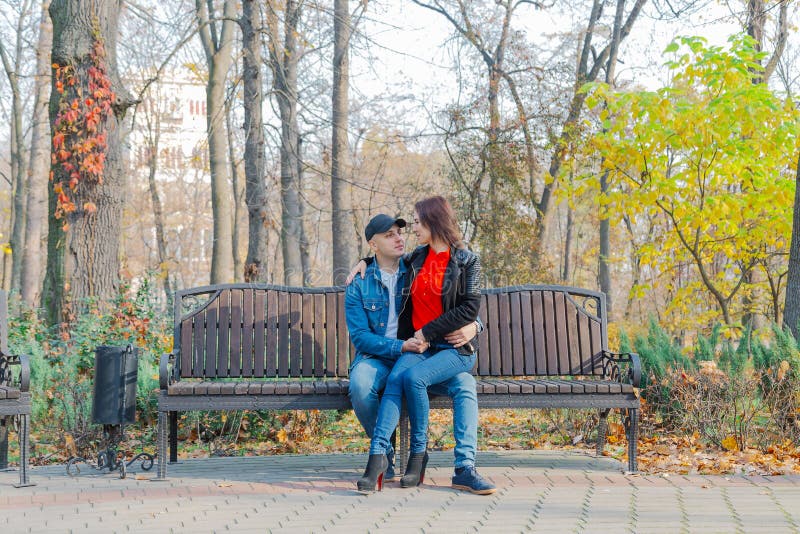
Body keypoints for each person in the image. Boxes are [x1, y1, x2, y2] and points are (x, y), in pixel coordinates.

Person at [351, 198, 496, 495]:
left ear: (432, 221)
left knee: (463, 384)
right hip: (413, 350)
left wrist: (475, 326)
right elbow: (383, 266)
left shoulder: (465, 260)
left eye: (413, 224)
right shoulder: (413, 261)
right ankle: (379, 459)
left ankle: (462, 467)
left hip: (447, 349)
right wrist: (365, 261)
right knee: (392, 379)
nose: (405, 233)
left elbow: (468, 307)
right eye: (390, 234)